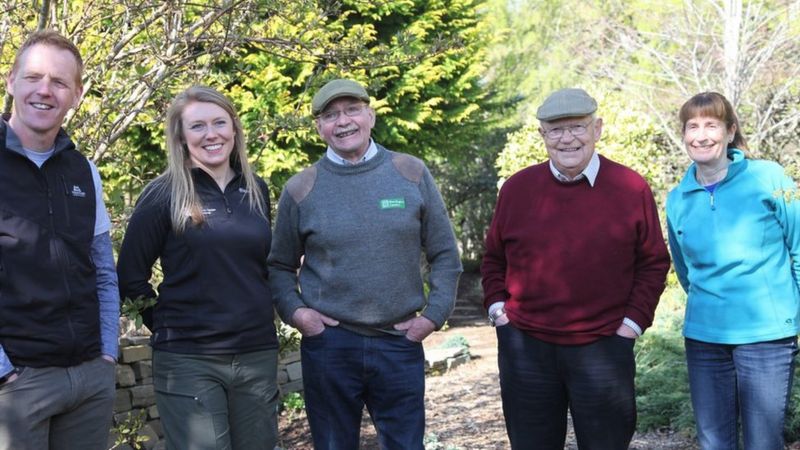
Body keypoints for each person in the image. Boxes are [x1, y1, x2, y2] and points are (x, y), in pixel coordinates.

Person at [268, 78, 462, 449]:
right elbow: (278, 266)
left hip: (399, 340)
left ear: (370, 116)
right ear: (319, 128)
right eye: (330, 115)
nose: (343, 122)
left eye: (352, 110)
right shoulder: (301, 188)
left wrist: (432, 317)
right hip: (329, 345)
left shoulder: (411, 173)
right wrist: (299, 315)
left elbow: (444, 254)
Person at [481, 88, 671, 450]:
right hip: (526, 347)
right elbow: (493, 258)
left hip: (604, 346)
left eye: (577, 127)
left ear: (597, 129)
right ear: (542, 135)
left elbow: (653, 262)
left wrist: (631, 325)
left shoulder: (630, 187)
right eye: (556, 129)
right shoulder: (517, 189)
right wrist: (498, 312)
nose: (567, 138)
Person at [117, 86, 279, 449]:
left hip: (256, 353)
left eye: (220, 122)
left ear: (234, 129)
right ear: (180, 136)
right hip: (189, 358)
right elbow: (129, 275)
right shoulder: (163, 194)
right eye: (198, 126)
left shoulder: (255, 190)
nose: (212, 134)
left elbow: (263, 267)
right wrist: (167, 324)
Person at [0, 30, 119, 449]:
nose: (44, 91)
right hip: (17, 386)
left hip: (88, 378)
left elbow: (103, 269)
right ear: (11, 80)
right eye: (33, 77)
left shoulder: (83, 171)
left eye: (59, 82)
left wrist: (107, 356)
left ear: (77, 95)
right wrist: (3, 372)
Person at [666, 91, 800, 450]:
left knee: (763, 443)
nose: (701, 135)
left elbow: (798, 248)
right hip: (705, 338)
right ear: (684, 135)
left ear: (730, 131)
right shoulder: (677, 198)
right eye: (692, 126)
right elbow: (685, 271)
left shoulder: (769, 178)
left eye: (711, 125)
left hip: (767, 336)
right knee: (713, 443)